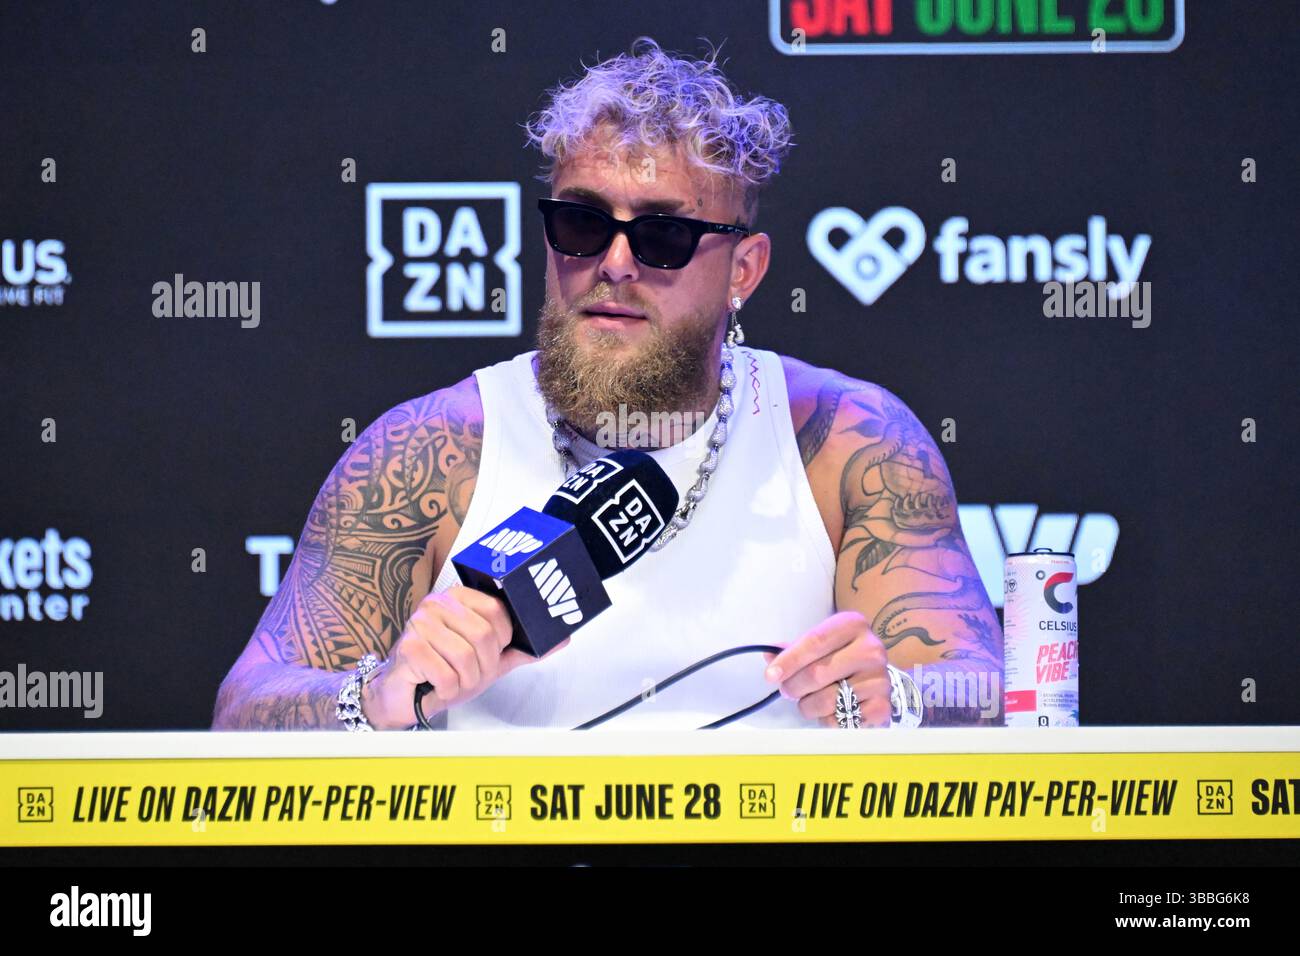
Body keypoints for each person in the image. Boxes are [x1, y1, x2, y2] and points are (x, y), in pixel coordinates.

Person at [212, 37, 1003, 732]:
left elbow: (992, 691)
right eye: (584, 224)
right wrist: (378, 699)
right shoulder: (429, 453)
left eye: (662, 235)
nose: (614, 264)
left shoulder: (847, 441)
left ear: (746, 271)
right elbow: (245, 707)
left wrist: (899, 696)